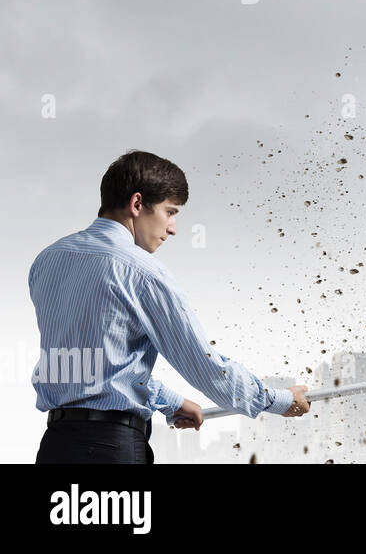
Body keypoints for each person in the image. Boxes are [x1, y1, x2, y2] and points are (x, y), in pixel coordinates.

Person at [30, 150, 310, 464]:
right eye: (170, 212)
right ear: (137, 205)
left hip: (55, 446)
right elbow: (206, 368)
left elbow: (85, 366)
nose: (173, 227)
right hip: (112, 449)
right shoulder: (143, 273)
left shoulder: (48, 260)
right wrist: (281, 401)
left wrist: (170, 401)